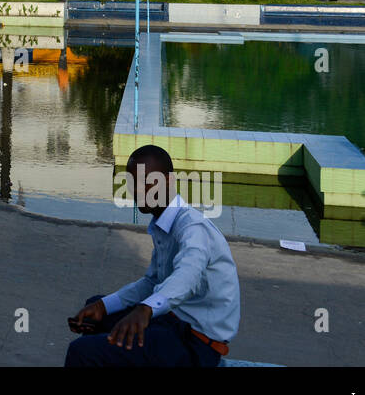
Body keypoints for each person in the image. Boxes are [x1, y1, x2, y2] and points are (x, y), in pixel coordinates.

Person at [65, 144, 240, 367]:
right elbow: (152, 283)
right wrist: (103, 306)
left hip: (196, 344)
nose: (137, 190)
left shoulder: (192, 228)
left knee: (82, 352)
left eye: (145, 181)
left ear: (168, 180)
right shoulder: (162, 224)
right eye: (132, 182)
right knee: (96, 308)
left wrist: (145, 309)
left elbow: (187, 277)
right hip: (173, 322)